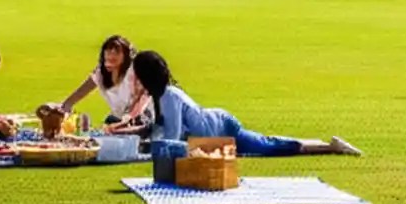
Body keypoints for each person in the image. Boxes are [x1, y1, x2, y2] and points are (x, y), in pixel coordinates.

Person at [131, 51, 360, 156]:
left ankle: (331, 147)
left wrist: (146, 148)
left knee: (265, 147)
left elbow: (172, 137)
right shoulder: (160, 97)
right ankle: (323, 144)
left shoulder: (169, 96)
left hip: (223, 127)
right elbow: (163, 131)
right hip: (215, 132)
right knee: (265, 143)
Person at [56, 35, 154, 132]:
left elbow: (141, 100)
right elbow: (83, 90)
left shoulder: (134, 73)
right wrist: (65, 106)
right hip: (120, 118)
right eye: (108, 50)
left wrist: (127, 120)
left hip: (142, 119)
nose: (112, 54)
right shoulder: (101, 73)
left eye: (117, 51)